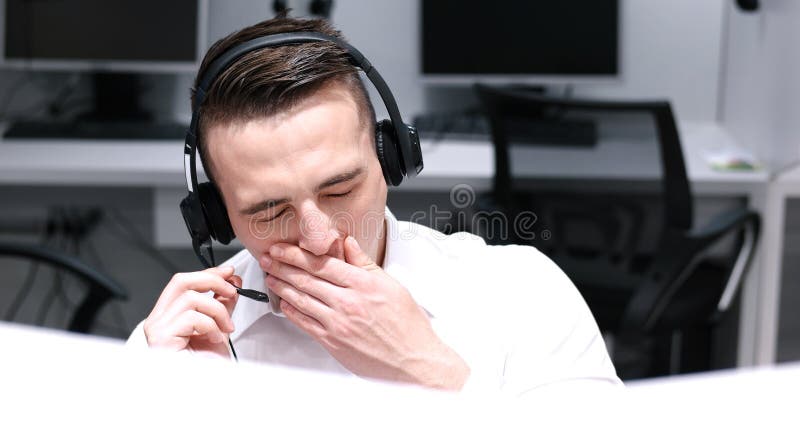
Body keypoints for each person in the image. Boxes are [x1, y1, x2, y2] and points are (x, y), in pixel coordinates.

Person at [126, 15, 622, 396]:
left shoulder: (525, 295)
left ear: (391, 159)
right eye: (269, 212)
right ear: (217, 216)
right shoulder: (174, 349)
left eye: (339, 191)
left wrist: (424, 369)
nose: (318, 239)